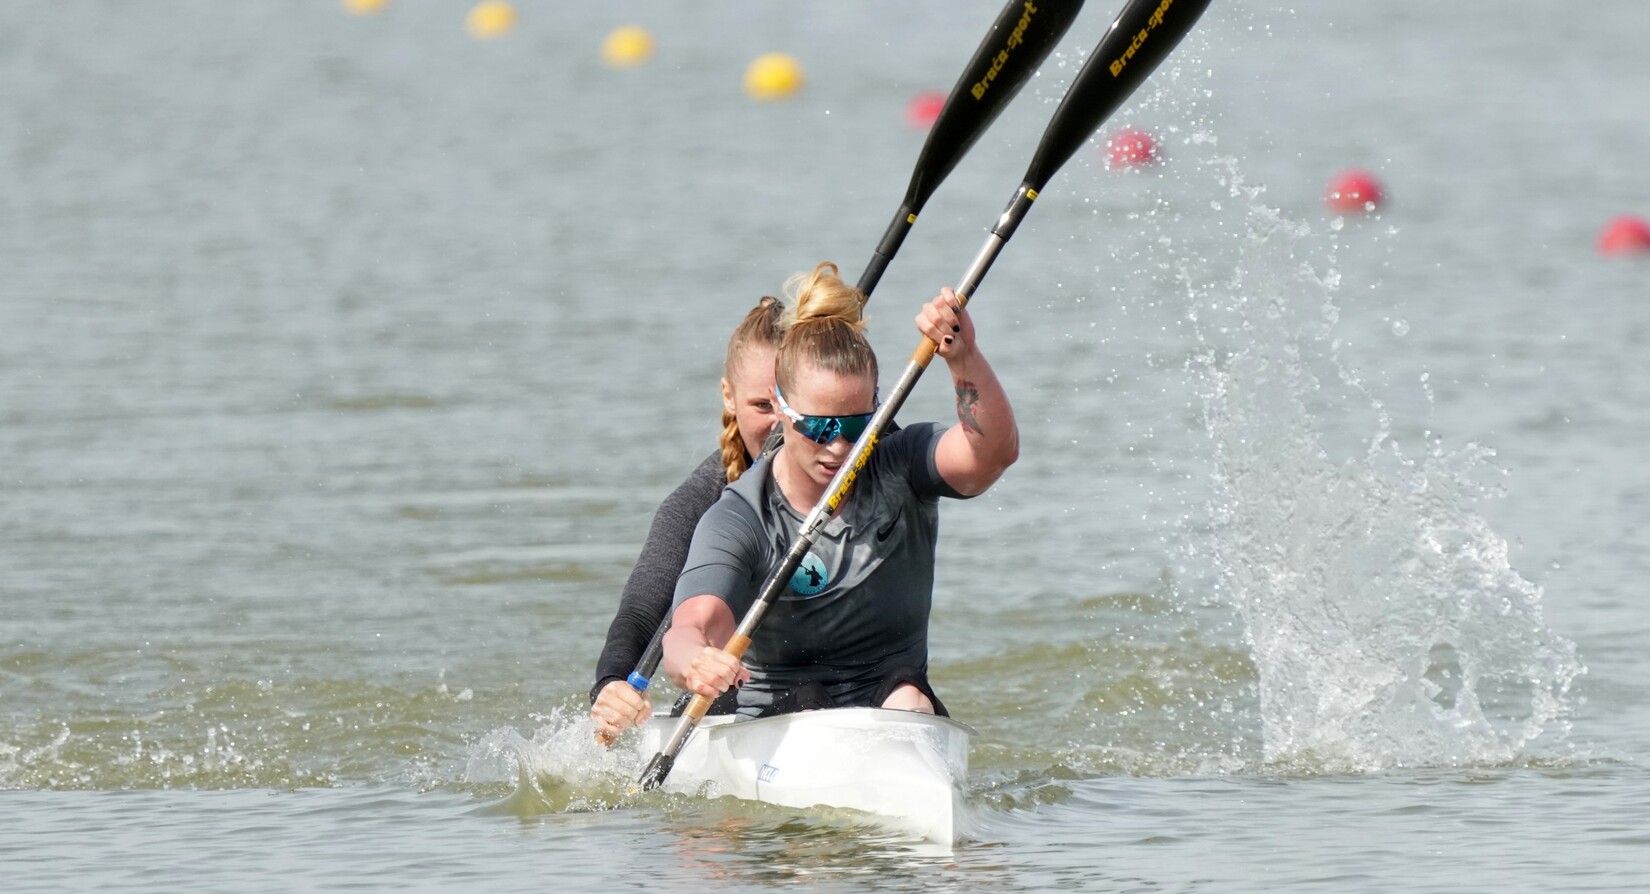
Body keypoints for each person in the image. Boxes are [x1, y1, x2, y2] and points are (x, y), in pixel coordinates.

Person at [663, 262, 1018, 718]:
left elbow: (991, 455)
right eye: (819, 426)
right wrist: (696, 659)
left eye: (856, 425)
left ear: (877, 407)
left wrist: (964, 358)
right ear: (781, 409)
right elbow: (694, 624)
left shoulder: (901, 465)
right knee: (811, 705)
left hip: (894, 702)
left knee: (908, 698)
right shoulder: (742, 516)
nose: (839, 447)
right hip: (781, 716)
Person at [588, 295, 786, 743]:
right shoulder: (699, 502)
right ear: (728, 397)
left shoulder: (853, 463)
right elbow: (642, 613)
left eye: (790, 403)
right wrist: (613, 684)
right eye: (761, 405)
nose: (780, 425)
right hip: (734, 698)